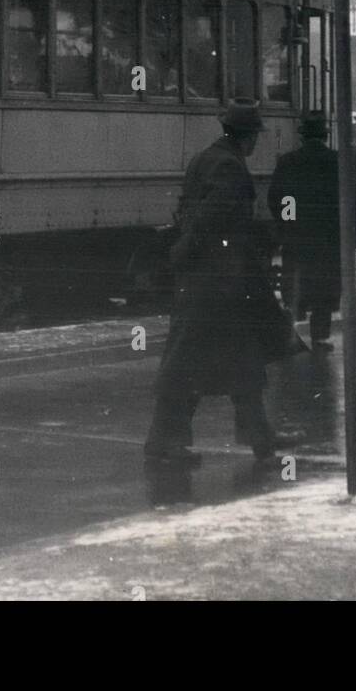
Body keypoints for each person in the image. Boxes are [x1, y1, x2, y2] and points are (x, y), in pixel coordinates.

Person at [144, 99, 296, 467]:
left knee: (229, 363)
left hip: (207, 281)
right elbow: (213, 221)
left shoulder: (204, 158)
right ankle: (169, 444)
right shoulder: (230, 167)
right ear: (248, 137)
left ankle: (258, 441)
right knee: (208, 364)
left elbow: (191, 211)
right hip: (220, 283)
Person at [268, 110, 340, 349]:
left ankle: (292, 336)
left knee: (297, 285)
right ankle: (320, 336)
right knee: (324, 289)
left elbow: (279, 197)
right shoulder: (336, 161)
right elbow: (346, 199)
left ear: (302, 137)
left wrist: (290, 221)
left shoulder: (288, 161)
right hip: (328, 236)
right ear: (325, 136)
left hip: (297, 234)